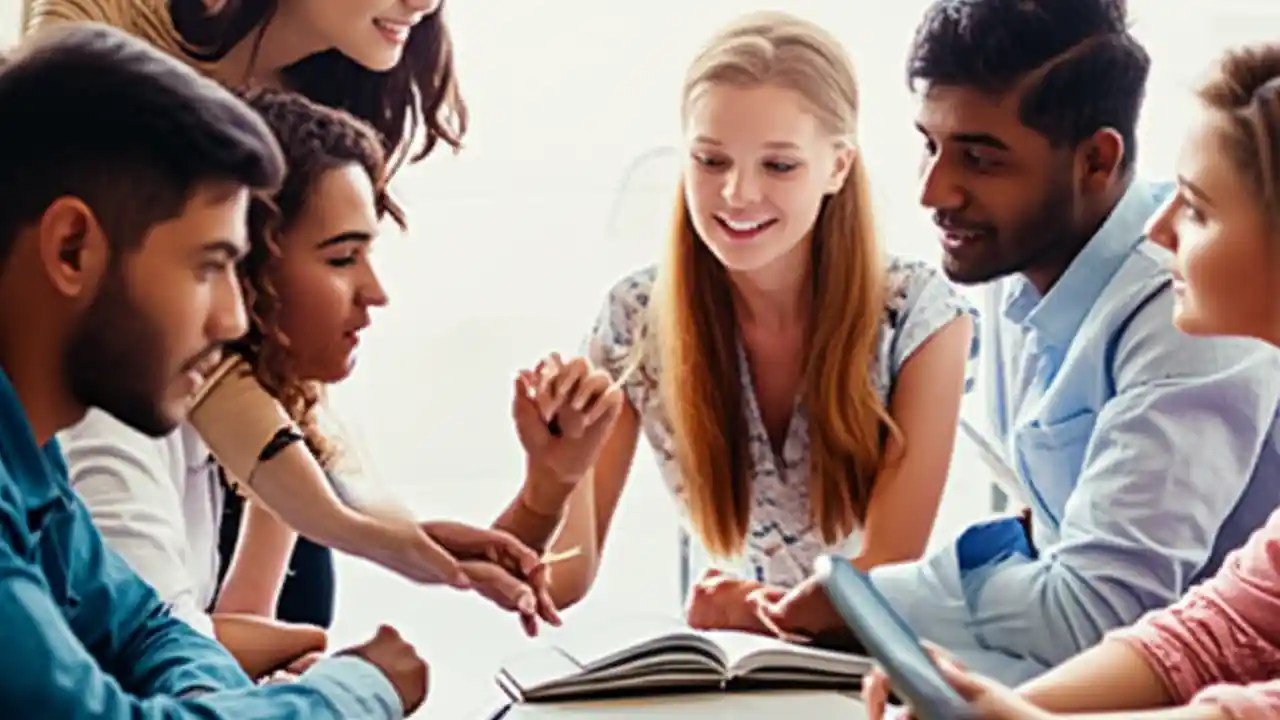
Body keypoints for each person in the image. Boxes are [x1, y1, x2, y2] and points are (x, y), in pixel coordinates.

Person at [758, 0, 1280, 684]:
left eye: (979, 158)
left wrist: (878, 601)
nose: (932, 190)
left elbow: (1096, 614)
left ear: (1097, 161)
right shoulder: (1009, 275)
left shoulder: (1191, 313)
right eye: (929, 144)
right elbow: (1049, 535)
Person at [22, 0, 544, 621]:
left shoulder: (340, 80)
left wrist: (389, 528)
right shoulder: (90, 52)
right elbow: (183, 336)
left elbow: (285, 373)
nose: (423, 3)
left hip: (252, 449)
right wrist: (351, 528)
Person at [488, 10, 977, 635]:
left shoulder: (919, 315)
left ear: (838, 167)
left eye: (778, 166)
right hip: (743, 675)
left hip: (882, 676)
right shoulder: (636, 318)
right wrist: (550, 478)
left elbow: (883, 578)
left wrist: (744, 610)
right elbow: (560, 582)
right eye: (711, 161)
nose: (737, 194)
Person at [0, 22, 427, 718]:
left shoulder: (33, 472)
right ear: (72, 249)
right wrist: (358, 690)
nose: (233, 319)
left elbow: (146, 629)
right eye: (208, 268)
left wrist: (213, 699)